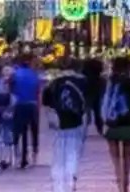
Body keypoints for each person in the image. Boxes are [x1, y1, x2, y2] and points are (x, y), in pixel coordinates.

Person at [42, 58, 88, 192]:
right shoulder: (82, 82)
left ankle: (59, 186)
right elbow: (86, 103)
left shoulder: (54, 83)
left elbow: (46, 102)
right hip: (76, 122)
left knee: (59, 155)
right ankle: (71, 180)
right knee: (73, 152)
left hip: (59, 123)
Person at [102, 56, 130, 192]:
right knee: (127, 156)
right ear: (129, 68)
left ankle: (119, 181)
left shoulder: (108, 84)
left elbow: (101, 104)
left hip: (112, 125)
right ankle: (125, 183)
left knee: (115, 157)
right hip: (129, 125)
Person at [9, 53, 42, 168]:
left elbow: (11, 90)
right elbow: (38, 92)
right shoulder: (35, 75)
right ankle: (34, 151)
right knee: (33, 130)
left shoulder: (15, 75)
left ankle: (19, 155)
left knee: (19, 131)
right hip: (32, 105)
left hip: (19, 105)